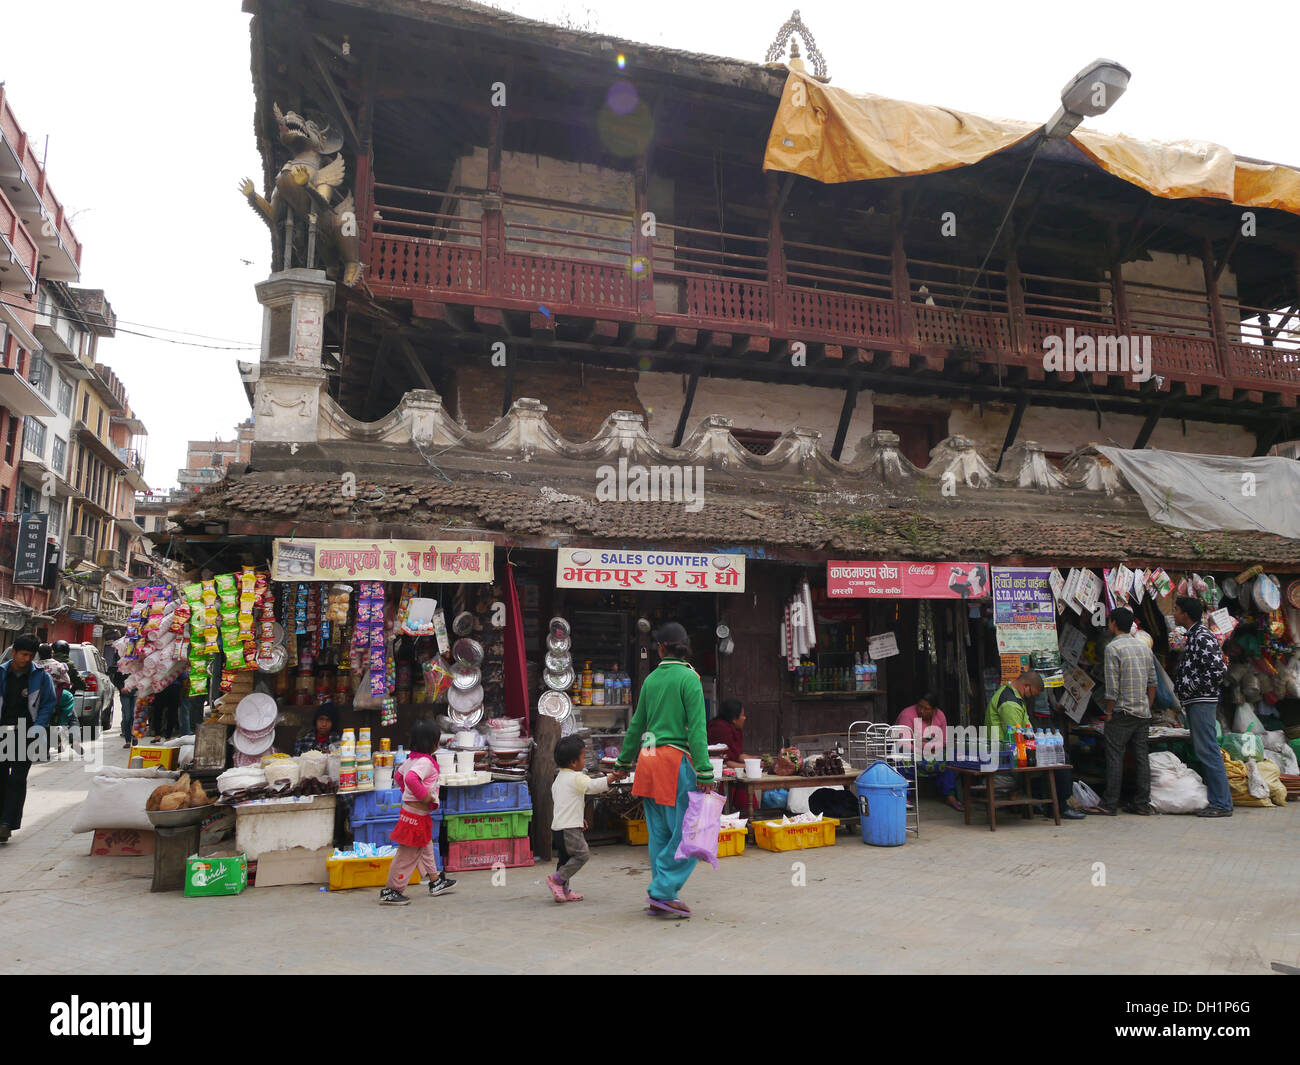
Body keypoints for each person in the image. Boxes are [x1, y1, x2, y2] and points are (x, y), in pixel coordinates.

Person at [610, 621, 714, 919]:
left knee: (659, 833)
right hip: (675, 763)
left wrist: (622, 764)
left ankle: (662, 893)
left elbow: (636, 727)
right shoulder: (689, 678)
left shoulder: (651, 679)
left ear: (660, 648)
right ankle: (663, 891)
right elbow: (697, 730)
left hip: (648, 760)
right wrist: (705, 772)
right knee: (689, 833)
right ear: (685, 648)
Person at [985, 669, 1085, 820]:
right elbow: (1017, 735)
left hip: (1011, 746)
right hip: (1006, 750)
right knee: (1061, 757)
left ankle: (1041, 803)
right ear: (1026, 685)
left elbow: (1026, 729)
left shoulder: (1011, 694)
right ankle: (1060, 806)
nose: (1032, 696)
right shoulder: (1009, 703)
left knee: (1050, 754)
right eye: (1032, 692)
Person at [379, 718, 456, 904]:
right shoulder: (425, 763)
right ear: (433, 743)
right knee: (407, 855)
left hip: (415, 814)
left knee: (426, 846)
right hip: (415, 815)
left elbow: (399, 776)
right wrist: (423, 796)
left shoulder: (412, 759)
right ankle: (392, 890)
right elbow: (411, 779)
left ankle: (435, 880)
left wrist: (407, 793)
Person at [1173, 595, 1232, 817]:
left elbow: (1218, 671)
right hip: (1197, 700)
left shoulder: (1202, 636)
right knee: (1205, 749)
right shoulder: (1195, 635)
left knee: (1208, 750)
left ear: (1186, 614)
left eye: (1177, 610)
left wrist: (1190, 687)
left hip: (1202, 701)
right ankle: (1219, 801)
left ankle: (1221, 804)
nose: (1175, 614)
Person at [1098, 607, 1157, 816]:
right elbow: (1153, 682)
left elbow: (1112, 688)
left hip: (1122, 711)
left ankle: (1110, 803)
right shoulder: (1144, 648)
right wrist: (1147, 706)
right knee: (1141, 757)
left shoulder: (1112, 648)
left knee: (1115, 756)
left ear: (1113, 623)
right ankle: (1142, 803)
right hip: (1142, 712)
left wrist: (1109, 712)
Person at [0, 635, 58, 842]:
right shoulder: (1, 673)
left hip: (26, 733)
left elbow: (48, 704)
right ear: (13, 652)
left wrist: (39, 726)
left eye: (30, 656)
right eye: (23, 654)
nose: (26, 659)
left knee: (17, 779)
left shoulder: (41, 677)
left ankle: (7, 824)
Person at [547, 735, 610, 903]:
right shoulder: (576, 777)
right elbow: (593, 786)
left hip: (559, 827)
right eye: (583, 756)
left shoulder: (559, 779)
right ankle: (557, 880)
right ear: (574, 762)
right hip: (569, 829)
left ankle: (564, 890)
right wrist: (611, 779)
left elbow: (565, 804)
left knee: (565, 859)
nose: (584, 760)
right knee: (582, 854)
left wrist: (579, 818)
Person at [896, 692, 963, 812]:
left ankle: (950, 795)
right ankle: (903, 795)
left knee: (952, 756)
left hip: (931, 750)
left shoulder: (940, 715)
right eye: (919, 706)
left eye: (926, 708)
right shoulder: (907, 715)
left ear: (934, 710)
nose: (921, 711)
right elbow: (905, 742)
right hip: (910, 750)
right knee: (903, 756)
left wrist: (930, 747)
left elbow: (944, 740)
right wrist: (925, 748)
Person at [707, 699, 755, 813]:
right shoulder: (720, 729)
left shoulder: (734, 729)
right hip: (717, 771)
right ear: (734, 719)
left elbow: (736, 755)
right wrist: (747, 766)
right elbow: (726, 761)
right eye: (742, 715)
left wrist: (757, 760)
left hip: (731, 768)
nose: (745, 718)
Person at [150, 673, 183, 740]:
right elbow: (183, 675)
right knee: (172, 712)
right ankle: (168, 736)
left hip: (161, 687)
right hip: (174, 687)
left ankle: (158, 734)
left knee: (158, 711)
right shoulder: (178, 662)